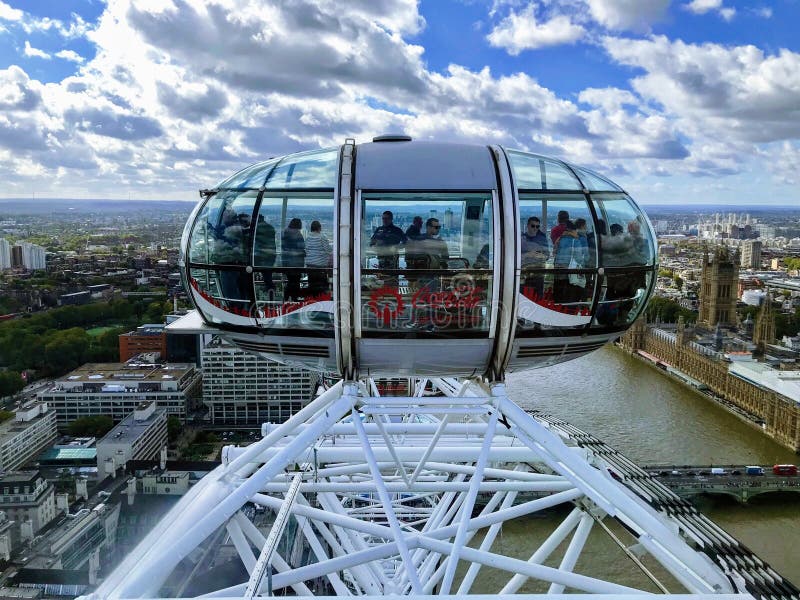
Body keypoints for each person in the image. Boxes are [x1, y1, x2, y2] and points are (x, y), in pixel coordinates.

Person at [370, 210, 406, 276]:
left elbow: (405, 243)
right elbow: (372, 243)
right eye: (383, 218)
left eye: (387, 218)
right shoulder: (379, 229)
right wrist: (375, 246)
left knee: (392, 279)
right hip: (381, 259)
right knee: (381, 279)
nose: (384, 220)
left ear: (391, 219)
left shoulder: (396, 230)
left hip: (392, 259)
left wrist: (396, 247)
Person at [521, 216, 549, 299]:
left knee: (538, 297)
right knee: (524, 297)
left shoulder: (542, 239)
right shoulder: (522, 238)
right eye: (533, 226)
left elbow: (547, 256)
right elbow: (515, 256)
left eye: (537, 226)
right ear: (528, 226)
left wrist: (538, 255)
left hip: (538, 272)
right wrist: (528, 254)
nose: (535, 228)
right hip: (524, 272)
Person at [553, 220, 581, 303]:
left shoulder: (559, 239)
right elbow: (578, 258)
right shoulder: (575, 241)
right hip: (569, 270)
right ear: (573, 230)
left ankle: (556, 306)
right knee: (568, 294)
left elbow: (554, 252)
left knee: (558, 291)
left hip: (558, 268)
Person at [305, 220, 332, 296]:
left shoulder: (308, 237)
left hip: (310, 265)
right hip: (320, 266)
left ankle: (312, 300)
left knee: (312, 285)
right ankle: (320, 301)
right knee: (322, 287)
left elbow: (306, 250)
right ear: (319, 228)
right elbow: (329, 250)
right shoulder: (322, 237)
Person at [282, 218, 305, 301]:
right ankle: (295, 300)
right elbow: (301, 247)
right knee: (296, 282)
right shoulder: (298, 234)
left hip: (287, 262)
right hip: (297, 262)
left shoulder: (285, 233)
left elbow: (283, 247)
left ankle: (286, 298)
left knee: (290, 282)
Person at [253, 214, 276, 298]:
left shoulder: (257, 229)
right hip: (270, 257)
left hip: (261, 256)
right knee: (268, 278)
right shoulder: (270, 227)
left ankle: (266, 297)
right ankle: (271, 297)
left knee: (250, 277)